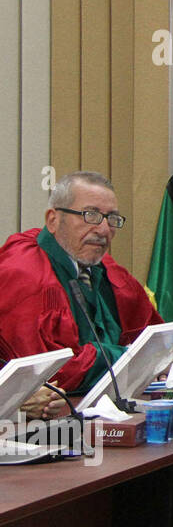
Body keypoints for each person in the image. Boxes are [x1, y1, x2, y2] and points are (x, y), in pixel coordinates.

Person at [0, 172, 162, 416]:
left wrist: (161, 353)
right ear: (53, 220)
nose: (104, 229)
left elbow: (153, 337)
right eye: (91, 215)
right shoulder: (25, 274)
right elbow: (51, 372)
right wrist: (139, 358)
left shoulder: (104, 269)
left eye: (112, 218)